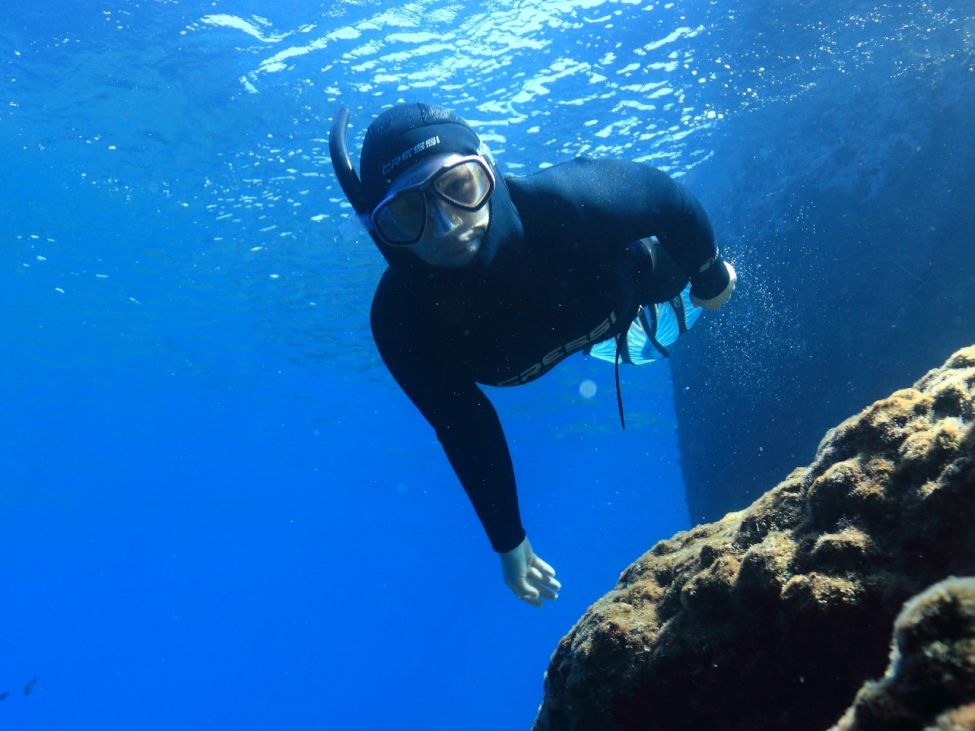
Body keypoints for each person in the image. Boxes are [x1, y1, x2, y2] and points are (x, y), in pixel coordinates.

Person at [329, 103, 735, 607]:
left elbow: (670, 201)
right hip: (601, 314)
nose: (448, 226)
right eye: (408, 213)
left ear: (490, 171)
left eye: (459, 187)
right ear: (379, 231)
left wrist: (709, 271)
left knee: (676, 279)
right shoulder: (401, 321)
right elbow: (462, 422)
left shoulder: (575, 201)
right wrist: (508, 538)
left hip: (637, 285)